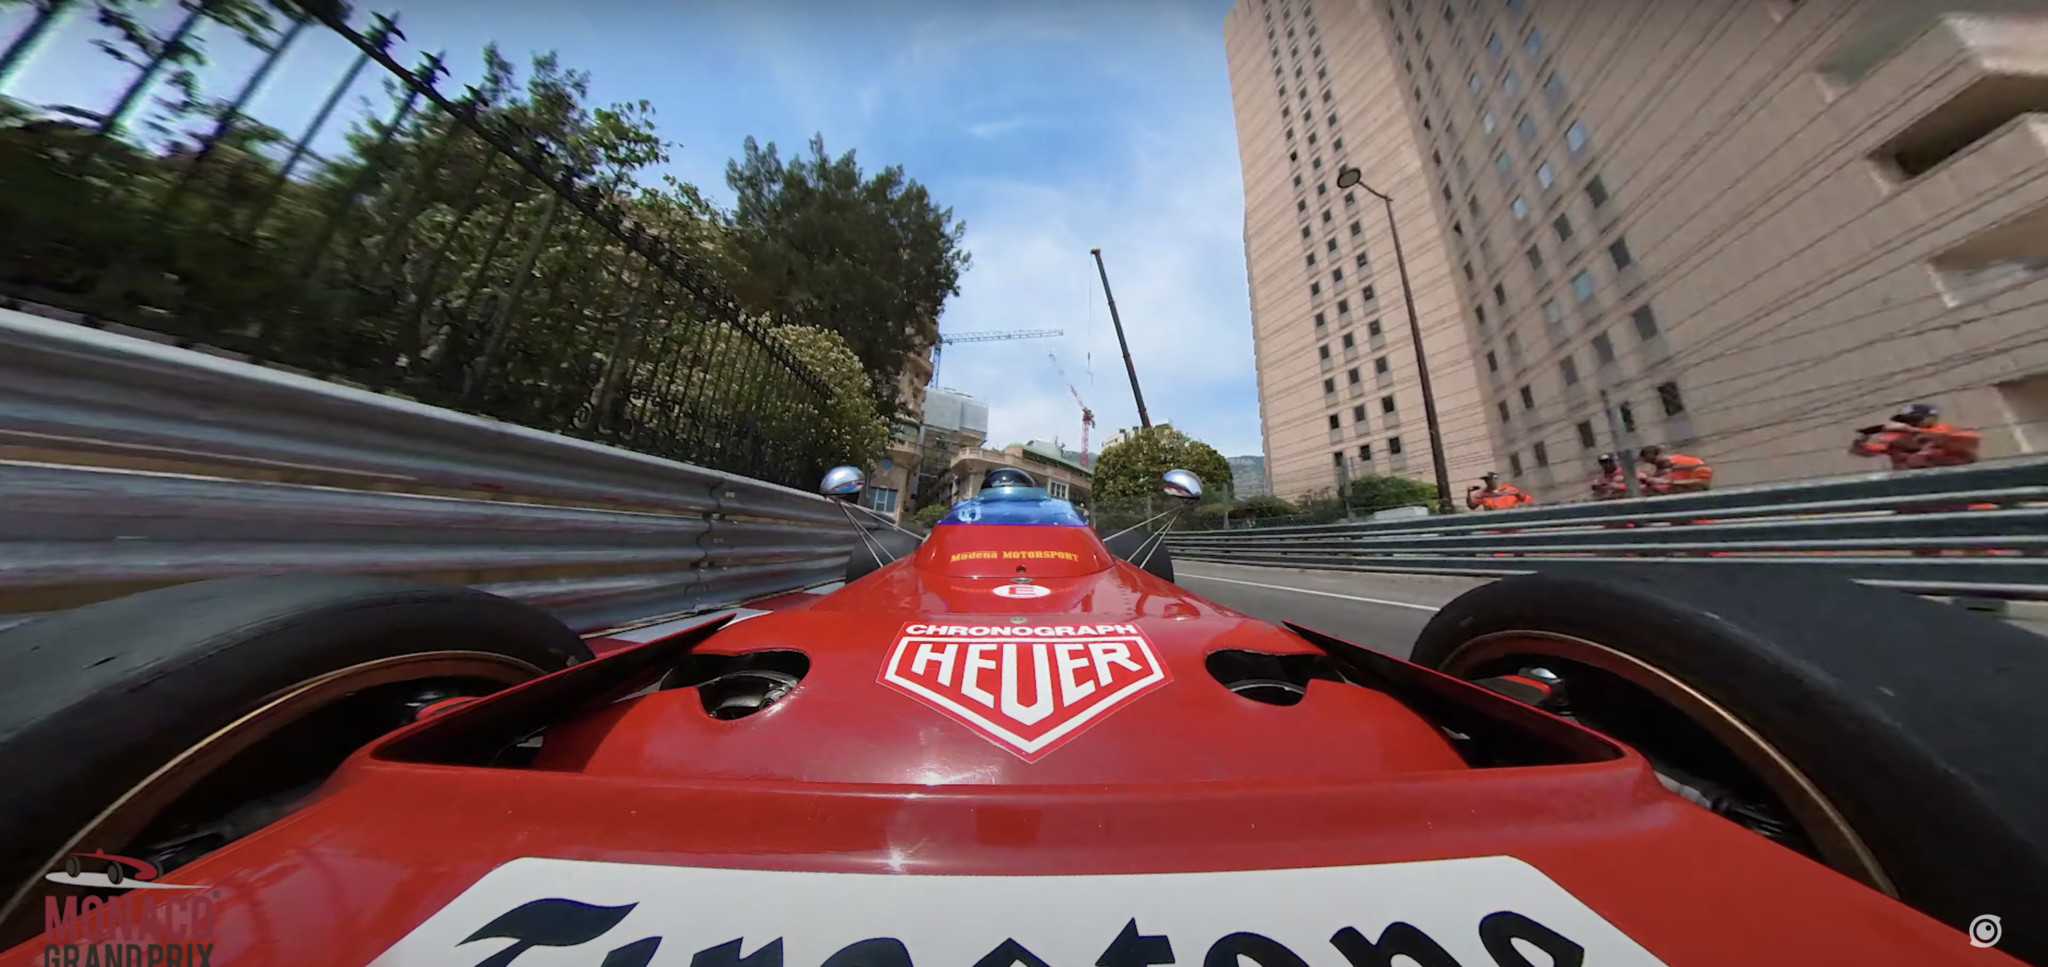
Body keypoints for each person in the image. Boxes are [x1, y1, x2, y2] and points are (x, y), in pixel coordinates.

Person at [1850, 403, 1980, 470]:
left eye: (1913, 420)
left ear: (1929, 419)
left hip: (1954, 485)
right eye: (1904, 421)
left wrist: (1912, 430)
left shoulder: (1946, 431)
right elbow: (1861, 451)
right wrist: (1863, 436)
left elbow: (1970, 441)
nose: (1907, 424)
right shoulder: (1896, 439)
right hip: (1915, 490)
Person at [1638, 444, 1713, 495]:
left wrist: (1667, 482)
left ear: (1661, 454)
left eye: (1654, 461)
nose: (1654, 464)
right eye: (1650, 462)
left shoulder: (1692, 462)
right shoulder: (1662, 469)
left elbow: (1702, 483)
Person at [1466, 472, 1533, 511]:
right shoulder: (1483, 493)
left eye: (1489, 479)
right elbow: (1472, 506)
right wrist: (1468, 493)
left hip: (1512, 520)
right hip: (1495, 523)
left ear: (1496, 479)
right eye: (1486, 480)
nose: (1487, 482)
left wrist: (1517, 494)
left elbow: (1526, 499)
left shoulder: (1509, 489)